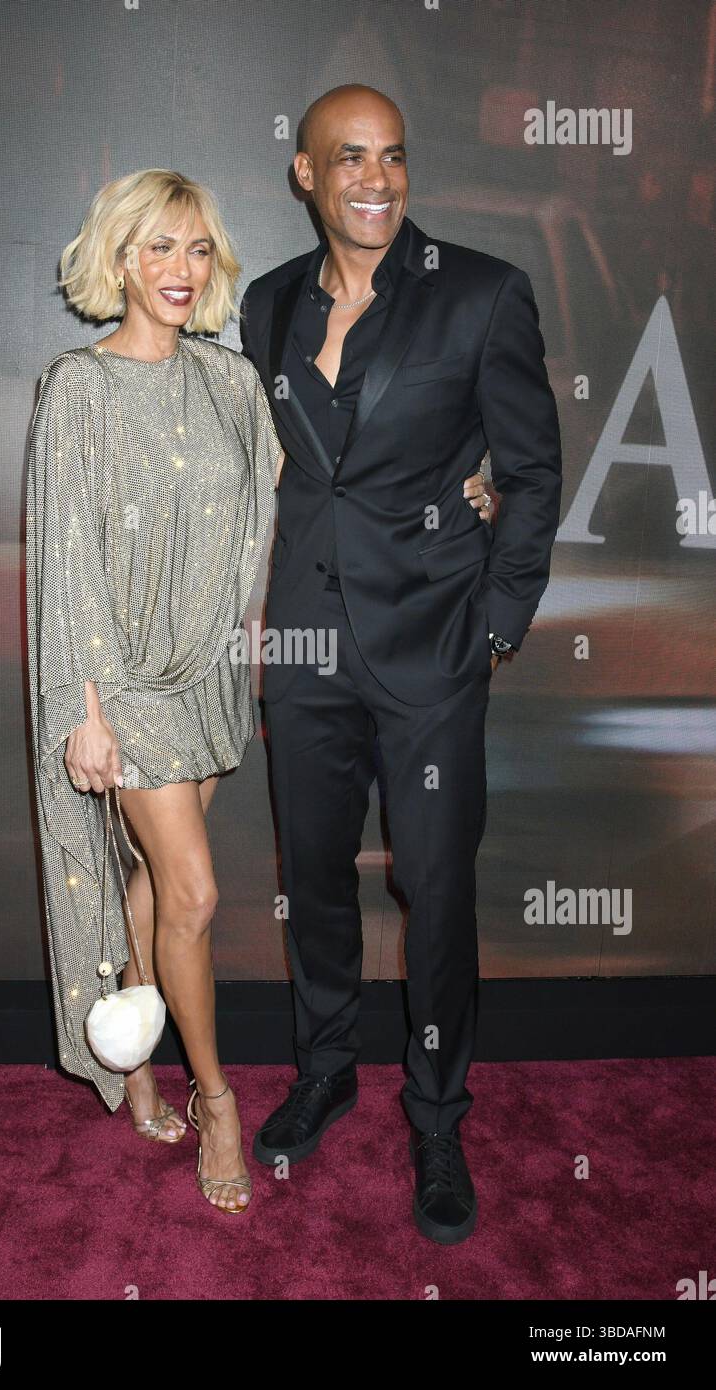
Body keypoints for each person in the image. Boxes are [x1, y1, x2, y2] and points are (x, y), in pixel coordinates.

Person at [25, 166, 495, 1216]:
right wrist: (83, 710)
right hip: (122, 683)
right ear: (118, 259)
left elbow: (341, 469)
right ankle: (217, 1099)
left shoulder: (232, 382)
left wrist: (468, 474)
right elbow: (66, 561)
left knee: (152, 882)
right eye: (156, 248)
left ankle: (138, 1061)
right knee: (192, 893)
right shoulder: (78, 387)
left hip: (206, 675)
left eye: (196, 250)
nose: (180, 270)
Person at [239, 85, 562, 1244]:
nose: (374, 179)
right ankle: (326, 1068)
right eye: (348, 159)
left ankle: (436, 1116)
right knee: (314, 880)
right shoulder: (266, 304)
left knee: (431, 893)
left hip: (431, 650)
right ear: (305, 173)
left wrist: (497, 619)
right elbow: (285, 474)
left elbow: (526, 467)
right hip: (306, 650)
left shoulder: (478, 294)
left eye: (392, 157)